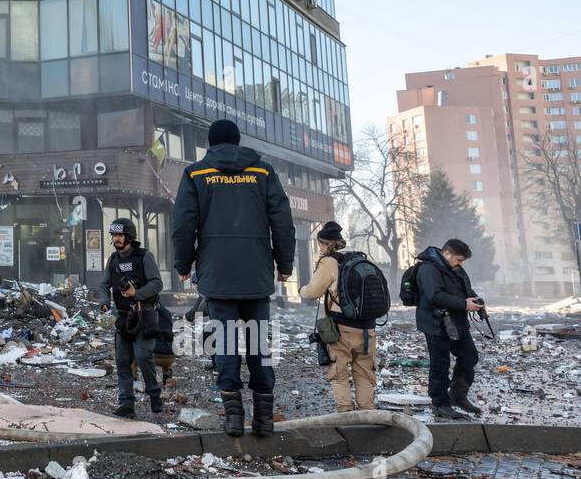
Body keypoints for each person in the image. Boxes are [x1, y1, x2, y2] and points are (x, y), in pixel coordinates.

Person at [172, 119, 295, 438]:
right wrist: (285, 264)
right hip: (256, 275)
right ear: (239, 142)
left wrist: (183, 263)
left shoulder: (196, 173)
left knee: (224, 344)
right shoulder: (263, 172)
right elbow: (282, 221)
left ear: (210, 144)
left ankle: (232, 416)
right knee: (259, 344)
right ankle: (264, 419)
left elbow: (184, 223)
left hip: (217, 276)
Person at [300, 221, 377, 412]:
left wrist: (302, 290)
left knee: (338, 372)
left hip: (342, 328)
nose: (319, 249)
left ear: (325, 244)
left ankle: (345, 414)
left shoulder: (329, 261)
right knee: (365, 373)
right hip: (367, 328)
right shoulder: (360, 258)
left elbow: (313, 292)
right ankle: (368, 413)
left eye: (320, 245)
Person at [97, 218, 164, 418]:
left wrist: (137, 293)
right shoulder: (113, 260)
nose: (116, 239)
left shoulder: (144, 257)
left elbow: (157, 284)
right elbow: (103, 285)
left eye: (119, 235)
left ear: (129, 236)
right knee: (122, 361)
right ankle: (126, 403)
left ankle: (154, 393)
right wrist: (105, 301)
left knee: (143, 357)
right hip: (124, 317)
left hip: (145, 315)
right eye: (114, 236)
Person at [415, 239, 483, 420]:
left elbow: (464, 289)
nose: (460, 264)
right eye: (458, 260)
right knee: (440, 364)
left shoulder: (455, 268)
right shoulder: (428, 269)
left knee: (470, 356)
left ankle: (458, 396)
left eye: (462, 261)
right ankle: (440, 404)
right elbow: (434, 296)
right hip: (435, 324)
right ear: (446, 253)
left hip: (457, 322)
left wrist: (474, 300)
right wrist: (463, 304)